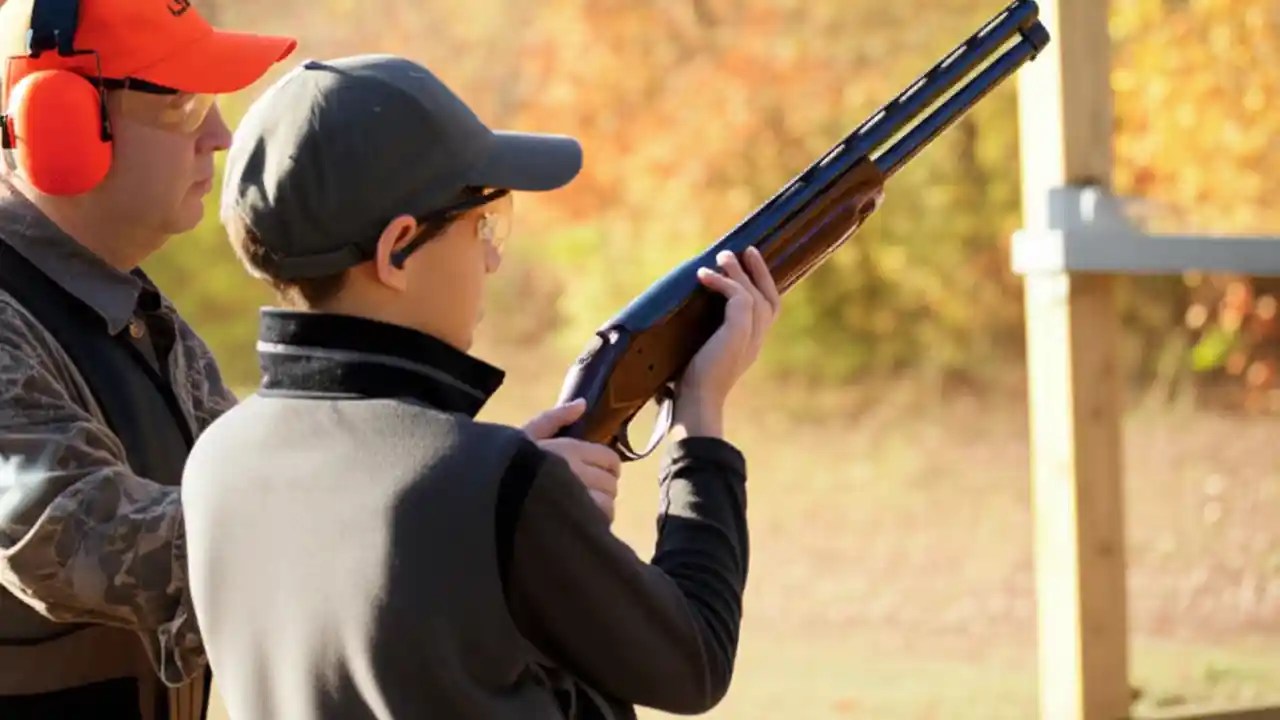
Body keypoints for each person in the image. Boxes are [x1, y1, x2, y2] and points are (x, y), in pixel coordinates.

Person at [182, 53, 789, 720]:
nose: (493, 257)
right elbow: (692, 665)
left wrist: (506, 488)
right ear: (398, 250)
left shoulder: (218, 457)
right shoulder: (489, 484)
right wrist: (699, 419)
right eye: (482, 223)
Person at [0, 0, 297, 718]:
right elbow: (99, 546)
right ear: (62, 121)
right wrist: (427, 518)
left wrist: (478, 476)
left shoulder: (127, 310)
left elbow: (265, 479)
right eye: (188, 105)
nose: (221, 136)